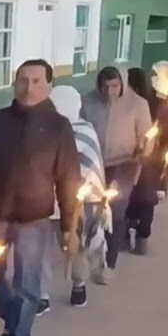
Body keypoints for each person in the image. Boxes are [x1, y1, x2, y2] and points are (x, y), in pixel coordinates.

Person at [0, 60, 80, 336]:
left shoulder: (58, 127)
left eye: (36, 80)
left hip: (34, 219)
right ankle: (12, 315)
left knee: (27, 285)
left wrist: (70, 226)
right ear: (14, 83)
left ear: (49, 85)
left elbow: (68, 178)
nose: (28, 87)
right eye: (22, 80)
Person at [80, 66, 152, 274]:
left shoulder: (138, 104)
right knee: (93, 210)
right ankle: (92, 249)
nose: (109, 91)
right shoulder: (88, 101)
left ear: (123, 84)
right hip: (95, 164)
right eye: (105, 86)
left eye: (114, 86)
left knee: (117, 209)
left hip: (125, 163)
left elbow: (146, 135)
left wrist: (144, 152)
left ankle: (109, 263)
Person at [47, 85, 108, 308]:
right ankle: (41, 294)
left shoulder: (85, 130)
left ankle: (78, 285)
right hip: (49, 198)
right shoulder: (46, 130)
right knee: (45, 247)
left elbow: (91, 164)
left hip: (79, 200)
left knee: (77, 242)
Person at [125, 67, 168, 255]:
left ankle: (139, 237)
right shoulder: (127, 104)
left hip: (147, 160)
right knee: (135, 198)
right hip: (134, 158)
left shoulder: (155, 105)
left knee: (141, 198)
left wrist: (166, 157)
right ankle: (133, 234)